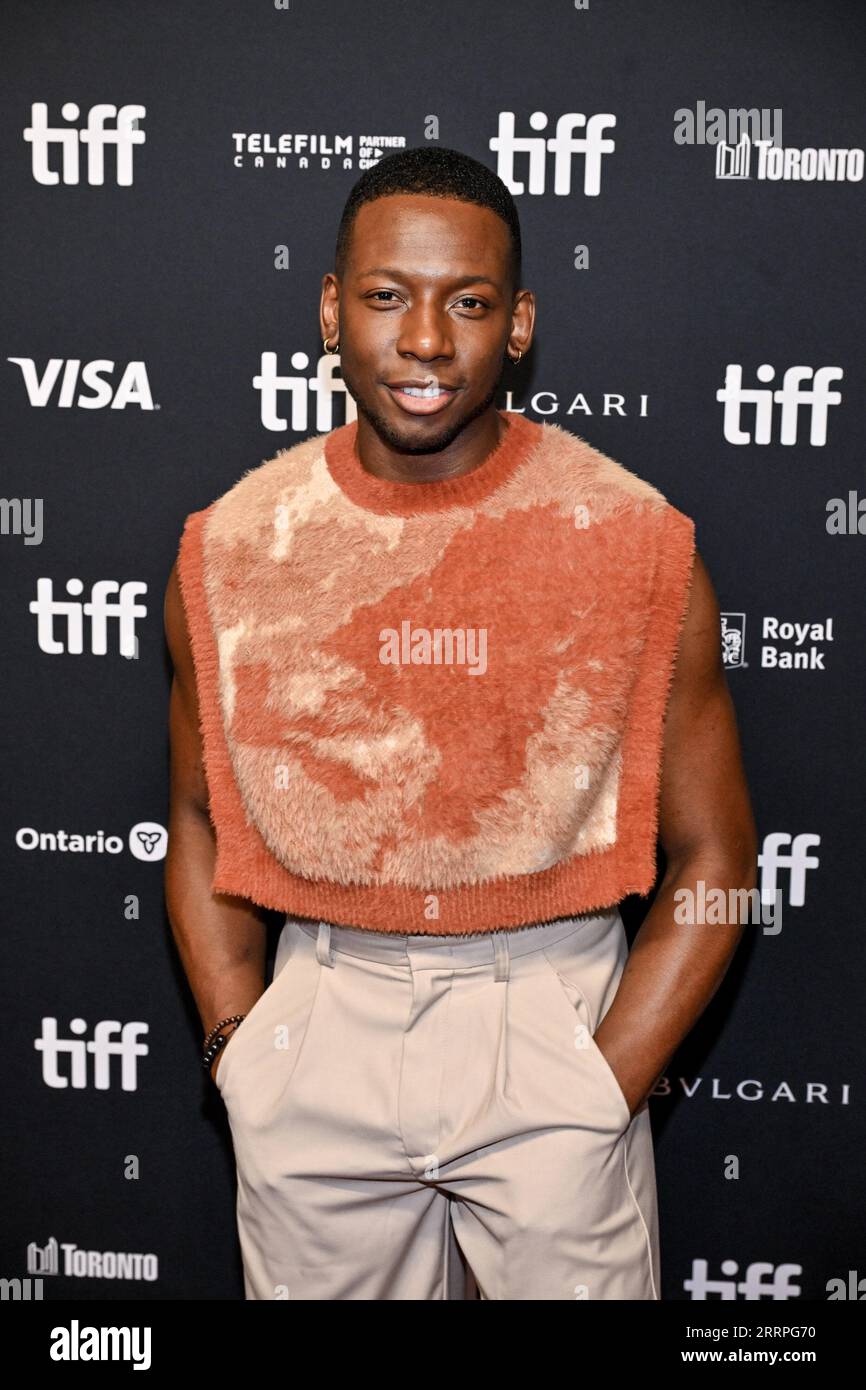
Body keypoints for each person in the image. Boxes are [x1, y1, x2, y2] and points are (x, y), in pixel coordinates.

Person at [163, 146, 757, 1301]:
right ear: (330, 311)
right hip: (317, 1025)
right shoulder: (232, 546)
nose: (425, 342)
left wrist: (599, 1085)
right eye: (386, 296)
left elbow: (717, 858)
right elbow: (194, 817)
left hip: (549, 1020)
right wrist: (242, 1052)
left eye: (468, 302)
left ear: (518, 321)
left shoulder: (632, 543)